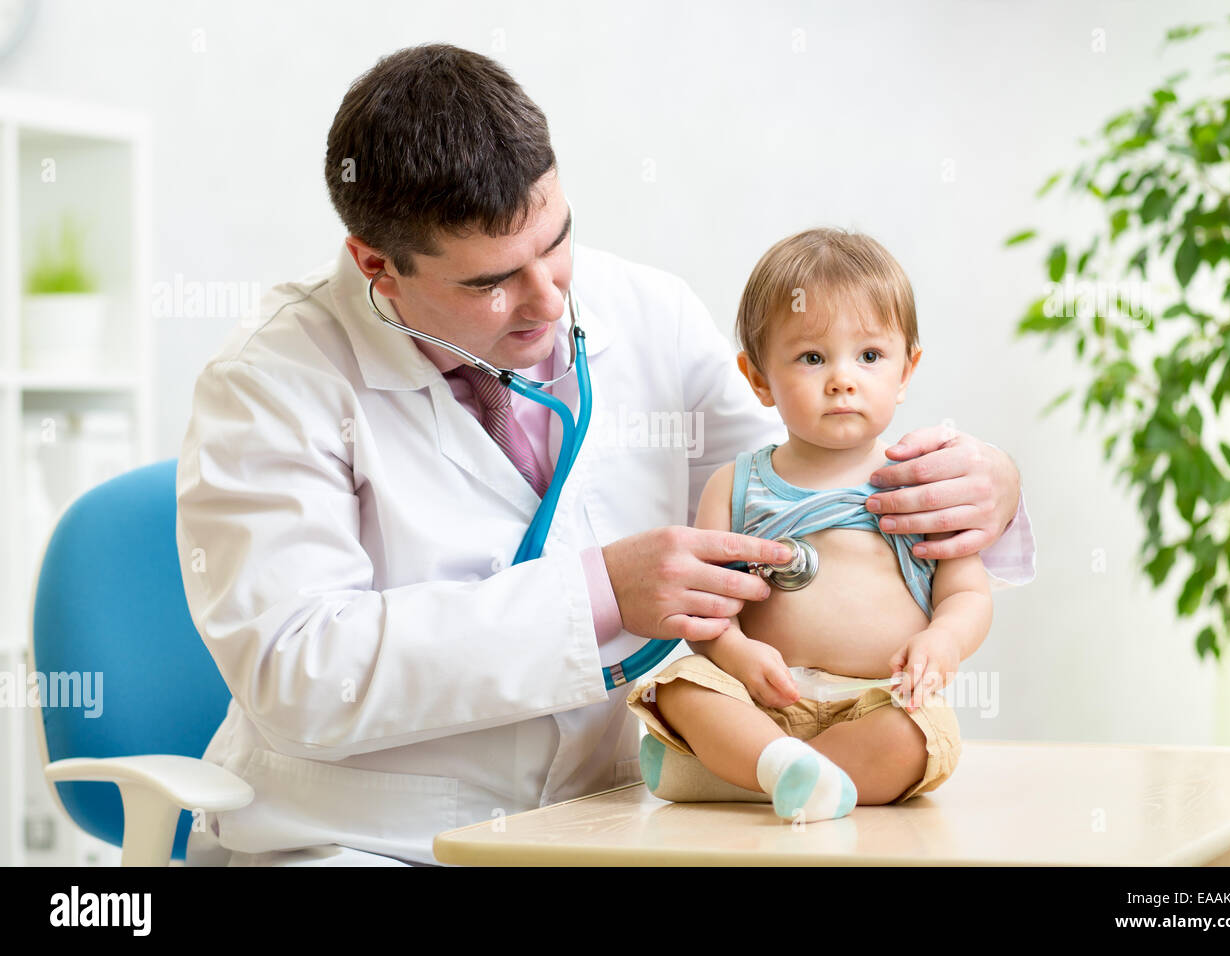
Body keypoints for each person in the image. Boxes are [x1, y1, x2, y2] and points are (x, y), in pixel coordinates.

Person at [175, 44, 1036, 866]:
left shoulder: (646, 311)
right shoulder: (271, 384)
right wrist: (599, 595)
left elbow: (798, 488)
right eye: (489, 282)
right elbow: (298, 671)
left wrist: (986, 486)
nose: (548, 299)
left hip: (610, 823)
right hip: (364, 838)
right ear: (378, 266)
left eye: (555, 242)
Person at [627, 228, 989, 820]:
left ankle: (751, 775)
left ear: (906, 371)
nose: (842, 378)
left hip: (874, 702)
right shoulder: (734, 487)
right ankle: (781, 766)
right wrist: (738, 655)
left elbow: (968, 592)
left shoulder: (921, 487)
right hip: (760, 702)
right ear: (759, 379)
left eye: (870, 356)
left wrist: (943, 639)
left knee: (917, 737)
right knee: (681, 685)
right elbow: (705, 610)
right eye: (812, 357)